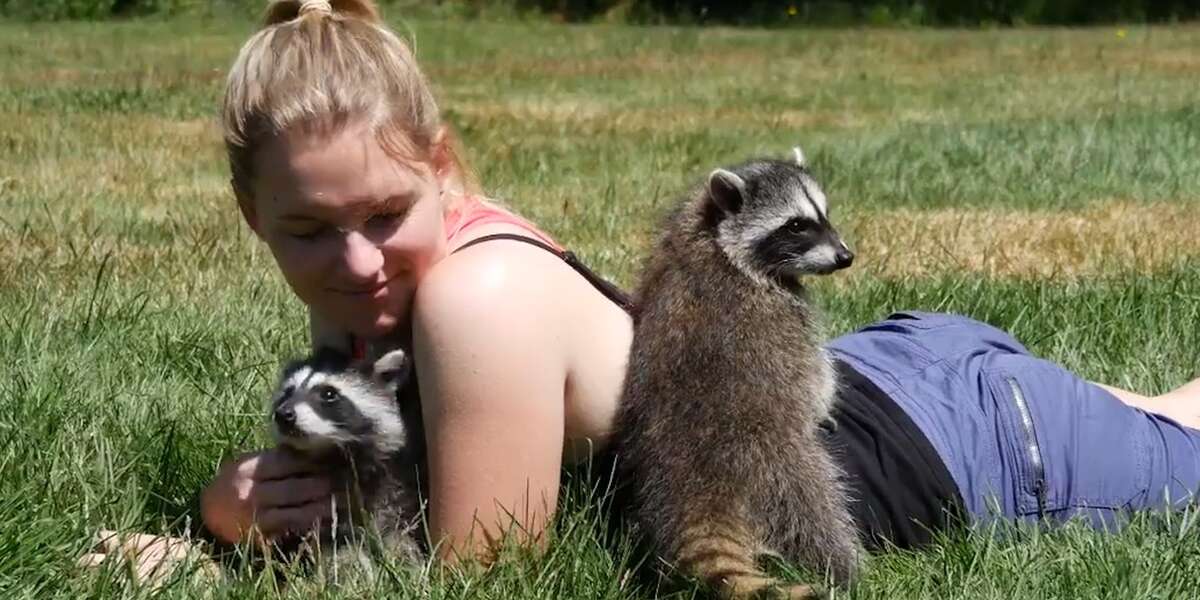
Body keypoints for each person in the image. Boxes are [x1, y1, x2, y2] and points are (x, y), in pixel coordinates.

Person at [197, 0, 1200, 566]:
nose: (360, 259)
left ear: (444, 165)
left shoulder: (474, 301)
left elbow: (480, 579)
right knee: (1173, 414)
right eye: (310, 230)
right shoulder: (394, 305)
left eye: (383, 216)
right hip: (884, 375)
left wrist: (224, 551)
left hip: (952, 445)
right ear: (253, 219)